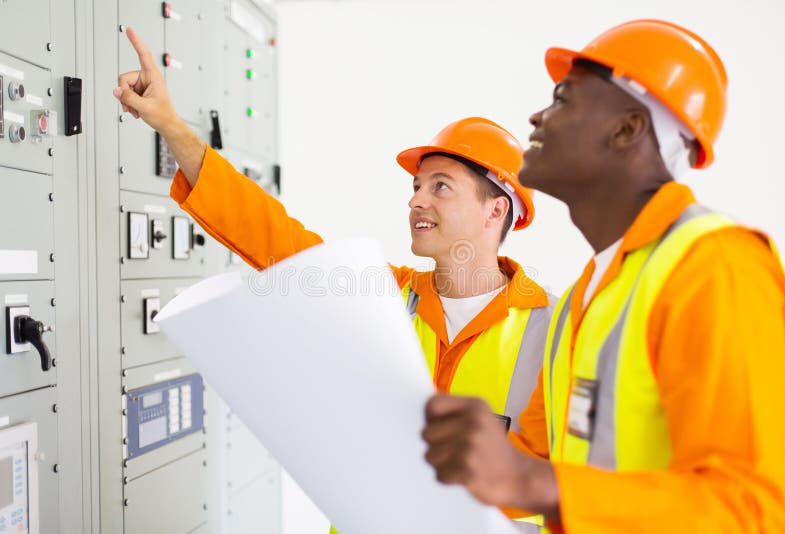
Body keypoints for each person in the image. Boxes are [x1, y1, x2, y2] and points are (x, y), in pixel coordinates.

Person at [114, 27, 553, 532]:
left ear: (496, 210)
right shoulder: (382, 296)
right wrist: (171, 126)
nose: (415, 200)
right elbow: (271, 236)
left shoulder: (553, 329)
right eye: (415, 186)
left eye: (440, 186)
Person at [421, 19, 785, 533]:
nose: (537, 116)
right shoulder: (586, 297)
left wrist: (536, 484)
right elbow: (532, 459)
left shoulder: (717, 267)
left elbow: (747, 513)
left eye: (563, 99)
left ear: (627, 128)